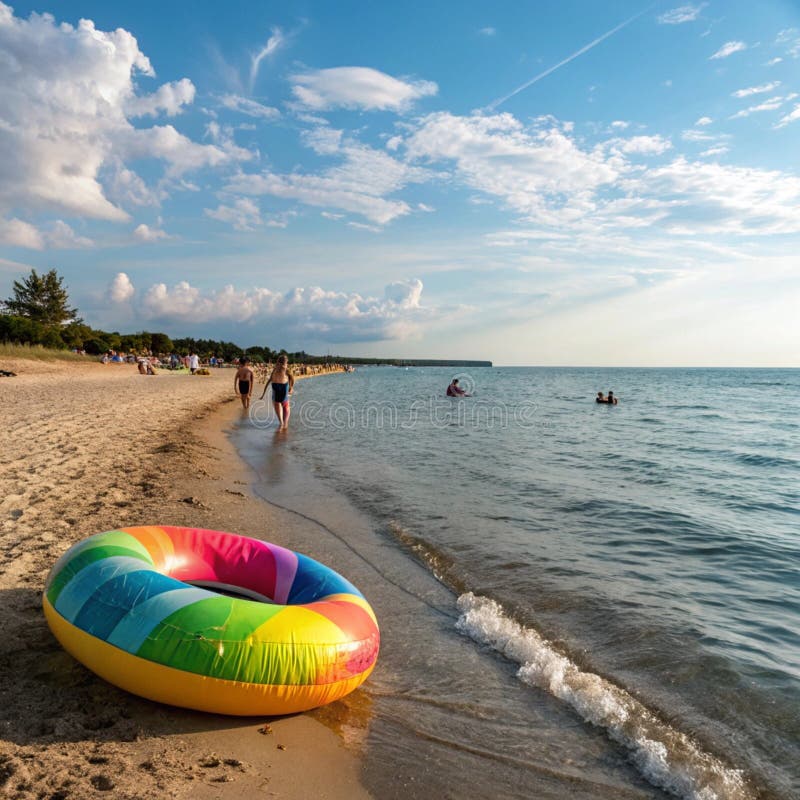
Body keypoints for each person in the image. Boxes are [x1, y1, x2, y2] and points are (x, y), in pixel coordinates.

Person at [261, 355, 294, 429]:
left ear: (278, 361)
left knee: (277, 404)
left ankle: (281, 423)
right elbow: (292, 378)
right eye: (287, 362)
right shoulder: (286, 369)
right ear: (286, 362)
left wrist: (263, 393)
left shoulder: (275, 369)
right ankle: (285, 424)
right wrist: (291, 387)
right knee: (286, 406)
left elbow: (269, 381)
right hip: (283, 387)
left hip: (275, 387)